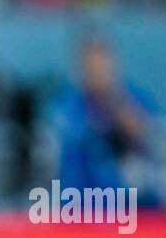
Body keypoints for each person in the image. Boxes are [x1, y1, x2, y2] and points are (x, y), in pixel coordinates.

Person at [53, 34, 159, 203]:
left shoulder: (134, 99)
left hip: (131, 206)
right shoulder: (69, 104)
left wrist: (112, 99)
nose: (96, 71)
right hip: (81, 203)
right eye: (90, 65)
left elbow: (143, 134)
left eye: (102, 64)